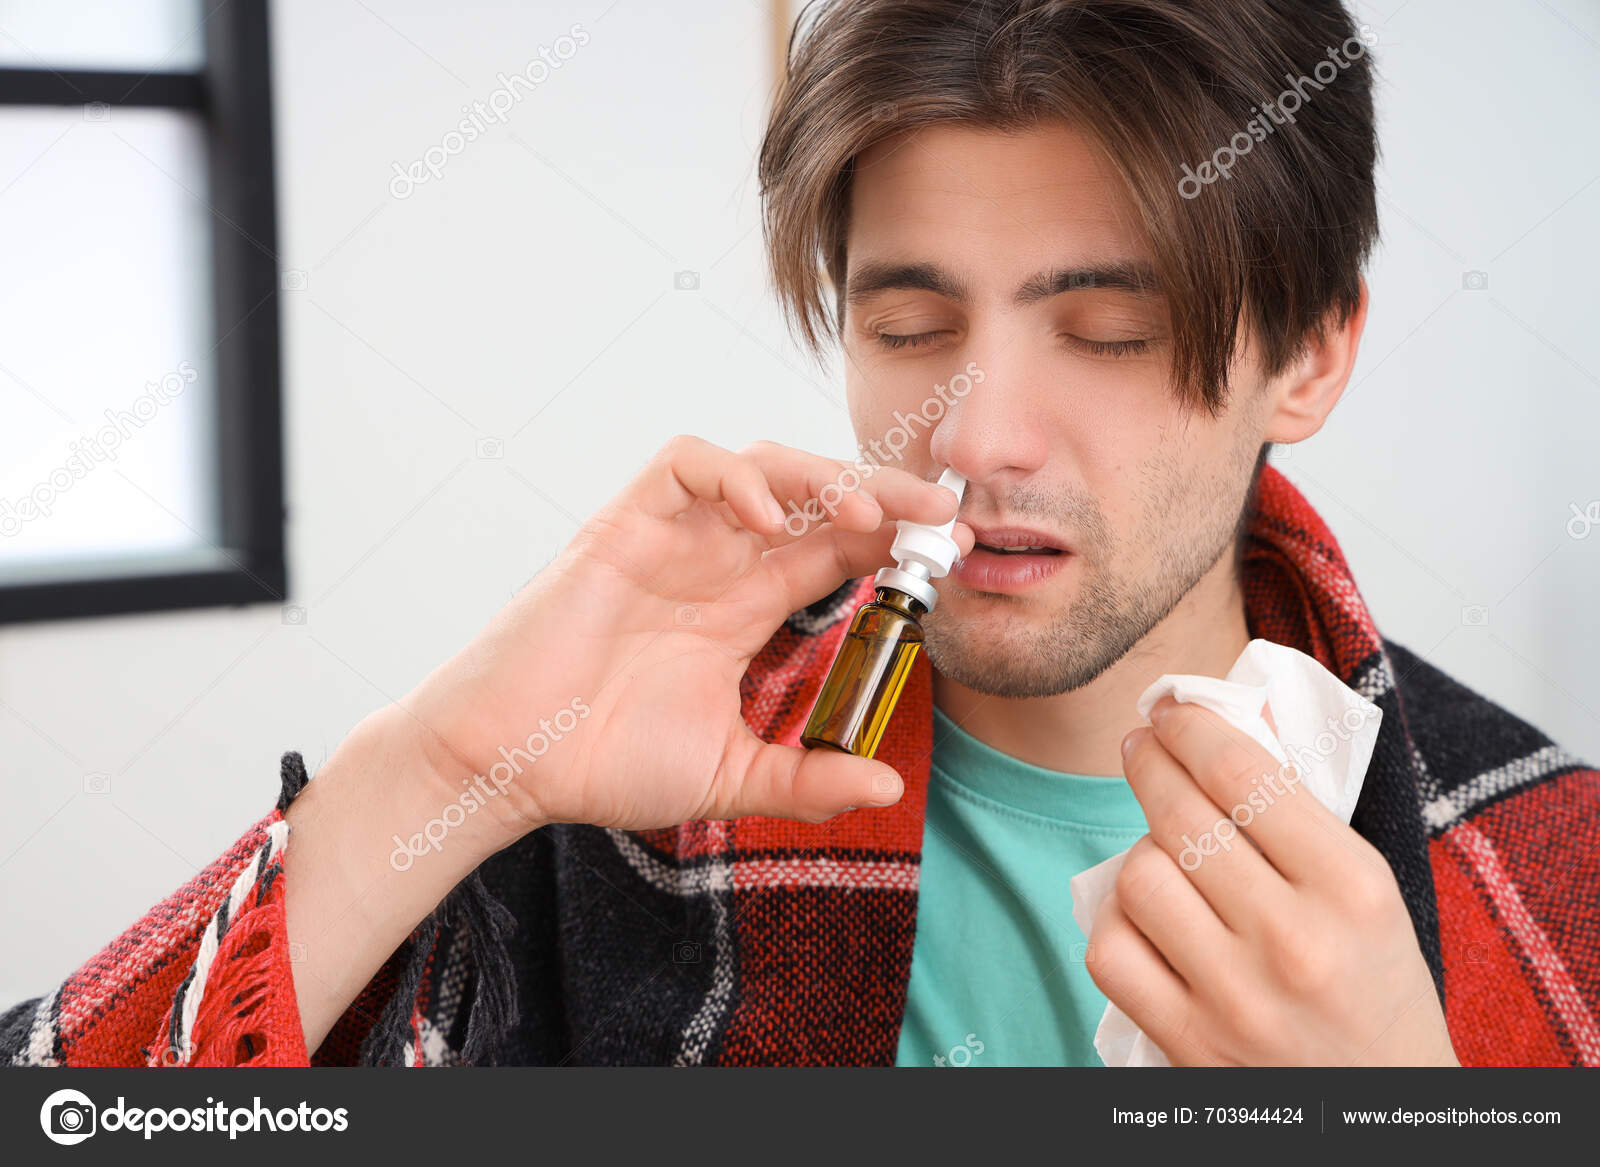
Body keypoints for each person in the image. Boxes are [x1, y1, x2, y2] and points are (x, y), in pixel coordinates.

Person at [5, 0, 1596, 1068]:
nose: (975, 436)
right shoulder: (607, 837)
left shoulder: (1548, 859)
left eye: (1107, 329)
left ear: (1310, 355)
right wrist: (441, 762)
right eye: (908, 325)